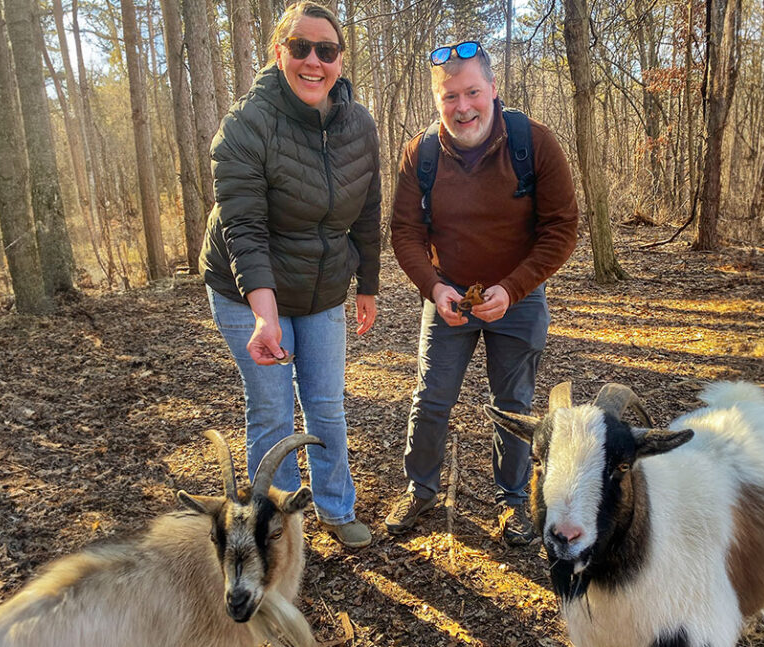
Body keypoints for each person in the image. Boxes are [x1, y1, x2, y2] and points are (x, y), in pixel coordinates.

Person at [200, 1, 380, 548]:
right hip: (247, 289)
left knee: (326, 404)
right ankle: (278, 521)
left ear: (340, 60)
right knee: (273, 409)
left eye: (326, 50)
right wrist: (264, 315)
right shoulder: (246, 125)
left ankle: (334, 505)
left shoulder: (359, 123)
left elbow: (368, 208)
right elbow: (245, 230)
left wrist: (368, 283)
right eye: (299, 47)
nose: (313, 61)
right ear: (279, 53)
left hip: (323, 287)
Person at [385, 41, 579, 546]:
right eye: (450, 96)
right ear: (436, 100)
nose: (463, 106)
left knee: (513, 403)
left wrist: (513, 289)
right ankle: (421, 488)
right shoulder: (420, 154)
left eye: (472, 91)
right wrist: (433, 287)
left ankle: (513, 501)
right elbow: (404, 231)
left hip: (518, 296)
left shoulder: (533, 143)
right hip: (448, 295)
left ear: (493, 90)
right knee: (431, 399)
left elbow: (562, 227)